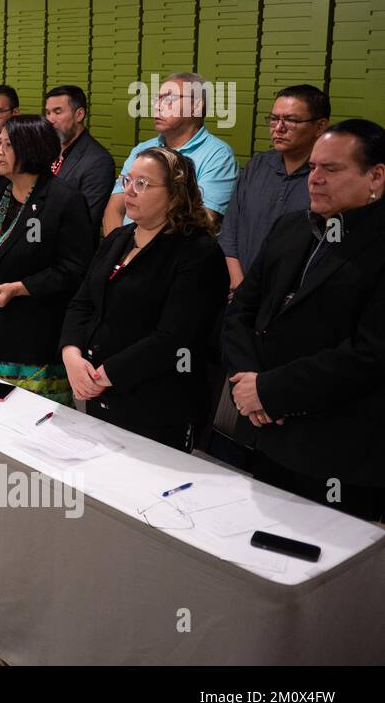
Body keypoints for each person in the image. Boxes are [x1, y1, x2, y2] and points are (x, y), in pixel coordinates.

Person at [223, 120, 385, 520]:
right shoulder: (291, 227)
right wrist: (249, 383)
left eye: (331, 169)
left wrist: (271, 390)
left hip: (338, 449)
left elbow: (370, 355)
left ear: (376, 176)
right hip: (260, 429)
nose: (314, 179)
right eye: (313, 167)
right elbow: (242, 309)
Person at [61, 147, 228, 451]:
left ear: (176, 193)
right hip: (101, 395)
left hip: (158, 406)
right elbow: (82, 302)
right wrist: (71, 355)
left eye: (143, 184)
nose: (129, 191)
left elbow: (174, 337)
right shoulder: (118, 239)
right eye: (127, 180)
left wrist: (106, 374)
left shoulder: (197, 252)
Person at [0, 115, 93, 404]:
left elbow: (74, 271)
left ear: (31, 149)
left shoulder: (64, 200)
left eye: (8, 145)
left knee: (27, 430)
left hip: (31, 338)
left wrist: (21, 287)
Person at [220, 84, 328, 296]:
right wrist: (239, 284)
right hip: (239, 292)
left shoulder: (325, 178)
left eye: (292, 120)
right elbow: (230, 229)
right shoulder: (258, 166)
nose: (279, 128)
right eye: (273, 118)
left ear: (320, 126)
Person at [103, 72, 238, 235]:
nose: (157, 106)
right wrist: (117, 251)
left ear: (196, 106)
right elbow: (114, 209)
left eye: (169, 99)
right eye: (157, 99)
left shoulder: (218, 156)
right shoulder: (142, 150)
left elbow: (201, 222)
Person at [43, 85, 116, 226]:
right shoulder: (45, 149)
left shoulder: (98, 161)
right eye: (48, 113)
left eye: (57, 112)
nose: (50, 119)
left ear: (79, 115)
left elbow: (85, 221)